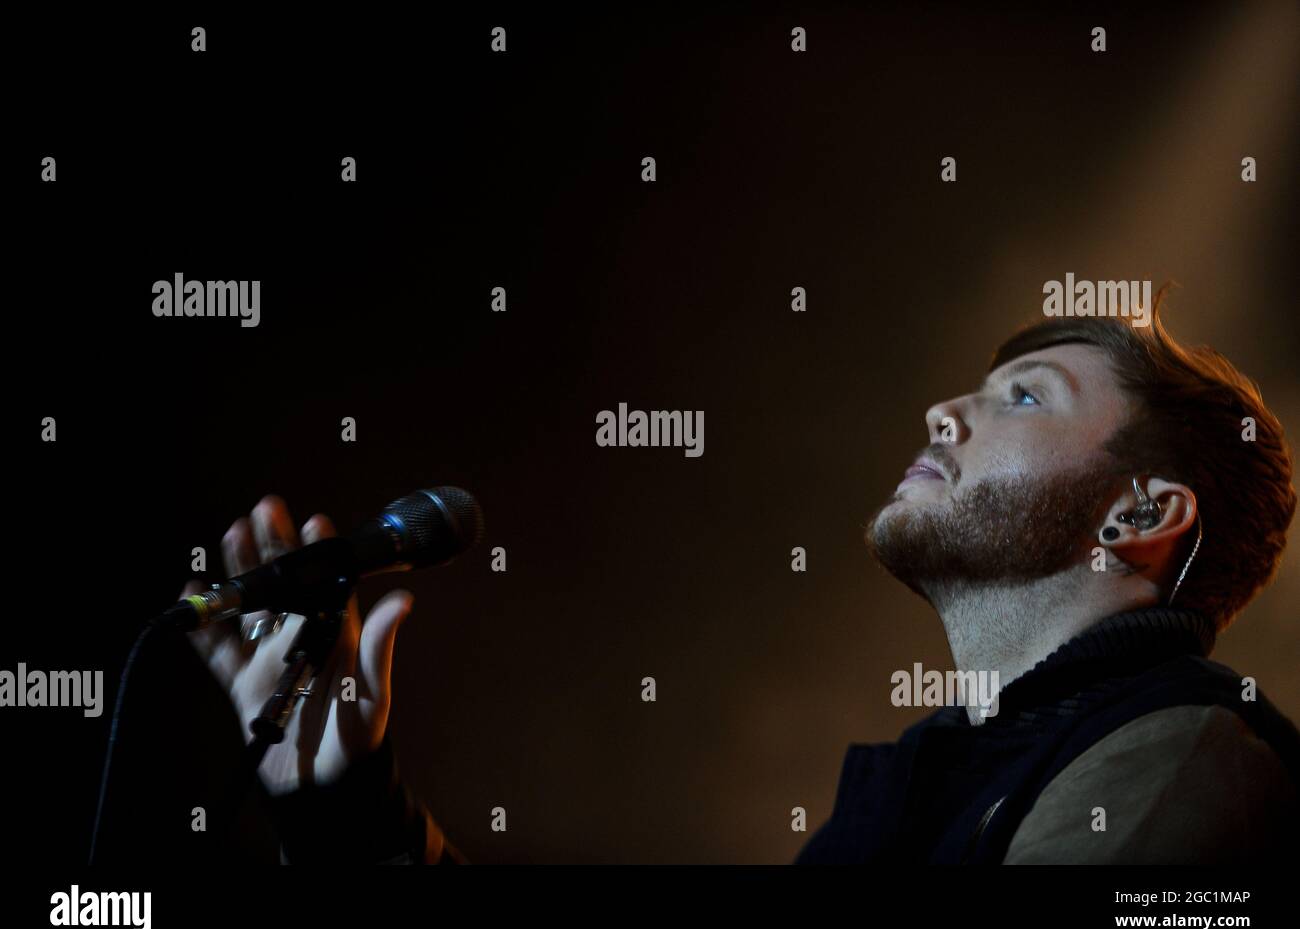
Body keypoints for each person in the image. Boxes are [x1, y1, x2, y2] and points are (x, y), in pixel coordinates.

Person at [181, 294, 1299, 864]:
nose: (942, 411)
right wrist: (342, 805)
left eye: (1024, 397)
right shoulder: (929, 775)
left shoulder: (1190, 765)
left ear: (1141, 513)